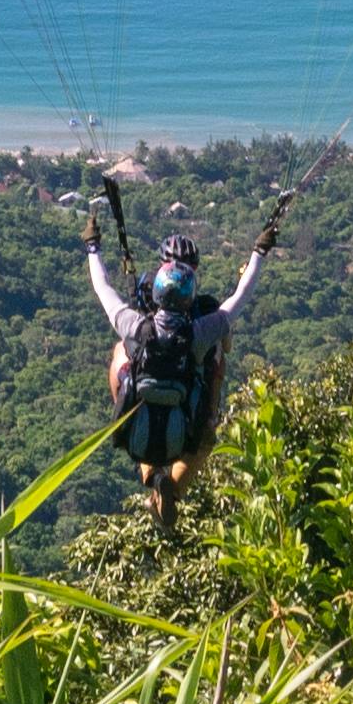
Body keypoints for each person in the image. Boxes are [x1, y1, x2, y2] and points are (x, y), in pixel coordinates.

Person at [90, 217, 272, 523]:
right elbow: (240, 298)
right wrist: (259, 254)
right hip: (186, 427)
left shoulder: (136, 325)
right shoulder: (199, 331)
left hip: (137, 425)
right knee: (204, 441)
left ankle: (138, 445)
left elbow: (103, 287)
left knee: (120, 351)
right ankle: (171, 492)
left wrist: (93, 248)